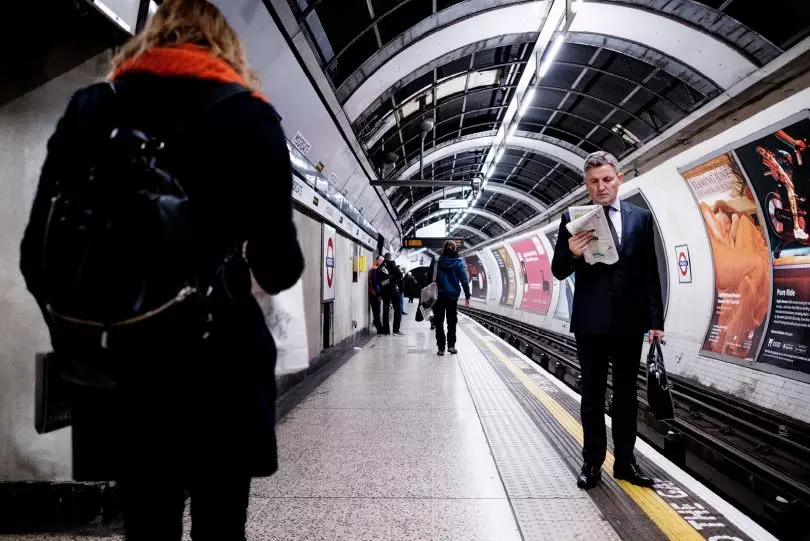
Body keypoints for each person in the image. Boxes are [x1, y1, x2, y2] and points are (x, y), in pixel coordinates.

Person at [19, 1, 305, 539]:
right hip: (221, 369)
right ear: (226, 49)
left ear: (147, 41)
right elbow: (281, 265)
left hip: (122, 370)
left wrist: (89, 332)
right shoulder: (250, 116)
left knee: (147, 524)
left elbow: (38, 253)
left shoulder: (91, 109)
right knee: (220, 526)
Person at [551, 151, 663, 490]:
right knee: (593, 395)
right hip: (591, 320)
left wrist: (656, 320)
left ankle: (626, 463)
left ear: (619, 179)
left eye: (607, 179)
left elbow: (650, 273)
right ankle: (592, 462)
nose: (601, 187)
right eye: (594, 181)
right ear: (586, 185)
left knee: (627, 395)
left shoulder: (640, 218)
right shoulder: (572, 217)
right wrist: (570, 251)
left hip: (629, 320)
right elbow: (558, 271)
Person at [428, 241, 471, 356]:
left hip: (439, 296)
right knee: (452, 322)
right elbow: (464, 280)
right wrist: (467, 295)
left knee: (439, 322)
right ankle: (451, 346)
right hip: (452, 296)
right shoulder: (458, 262)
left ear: (443, 249)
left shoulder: (436, 260)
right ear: (455, 248)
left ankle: (441, 348)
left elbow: (428, 277)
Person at [377, 253, 404, 335]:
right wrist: (394, 282)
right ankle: (396, 330)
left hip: (385, 291)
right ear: (390, 258)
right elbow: (400, 275)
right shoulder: (393, 265)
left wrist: (386, 282)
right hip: (394, 290)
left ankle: (386, 330)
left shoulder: (380, 268)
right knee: (397, 310)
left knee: (385, 311)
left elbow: (379, 282)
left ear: (384, 258)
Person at [368, 255, 385, 333]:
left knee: (377, 311)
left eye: (382, 260)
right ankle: (379, 328)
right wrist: (379, 293)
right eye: (380, 260)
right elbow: (375, 283)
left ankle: (377, 324)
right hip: (374, 293)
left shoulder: (376, 269)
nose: (381, 262)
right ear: (377, 260)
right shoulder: (374, 270)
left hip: (375, 293)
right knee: (377, 311)